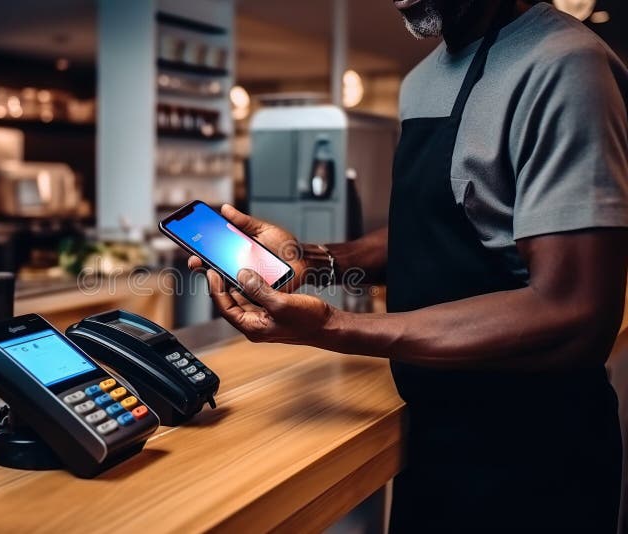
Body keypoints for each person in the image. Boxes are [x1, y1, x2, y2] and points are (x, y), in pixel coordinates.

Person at [189, 0, 628, 531]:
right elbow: (439, 229)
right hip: (432, 438)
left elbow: (574, 312)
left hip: (534, 456)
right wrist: (312, 259)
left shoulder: (566, 64)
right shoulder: (420, 81)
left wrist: (336, 326)